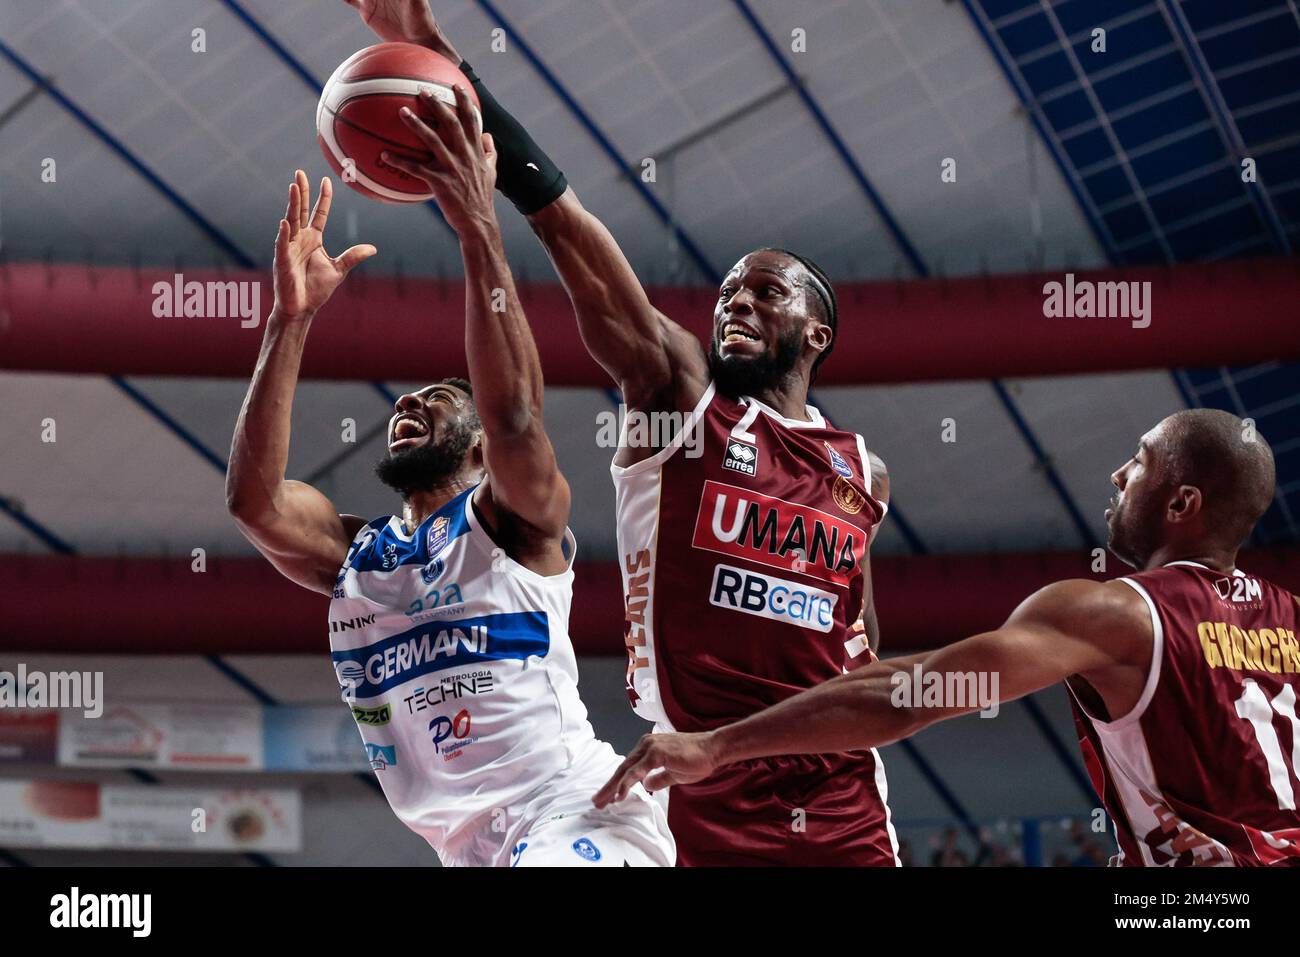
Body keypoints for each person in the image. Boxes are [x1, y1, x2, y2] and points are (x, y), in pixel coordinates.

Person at [349, 0, 899, 865]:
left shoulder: (863, 469)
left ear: (817, 333)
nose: (737, 304)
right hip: (694, 781)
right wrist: (435, 55)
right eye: (727, 294)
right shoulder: (676, 395)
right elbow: (561, 218)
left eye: (766, 292)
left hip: (838, 802)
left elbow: (861, 652)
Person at [225, 104, 673, 867]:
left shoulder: (516, 525)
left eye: (438, 398)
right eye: (407, 399)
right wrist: (288, 321)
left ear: (475, 446)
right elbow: (254, 502)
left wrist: (478, 232)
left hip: (576, 814)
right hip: (470, 848)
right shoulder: (357, 559)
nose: (408, 401)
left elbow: (518, 416)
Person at [595, 410, 1300, 867]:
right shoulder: (1291, 616)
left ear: (1183, 504)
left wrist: (718, 744)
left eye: (1141, 460)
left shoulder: (1115, 614)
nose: (1119, 473)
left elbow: (913, 691)